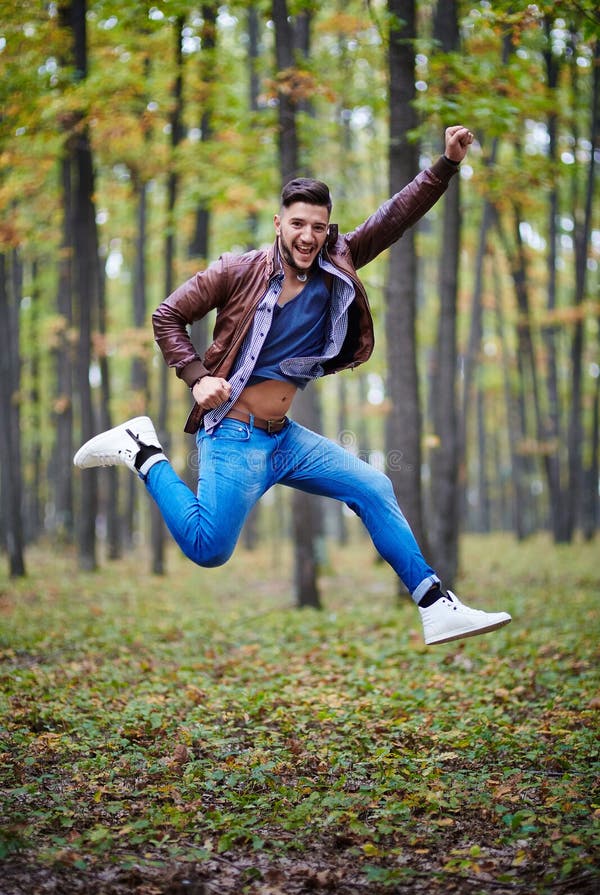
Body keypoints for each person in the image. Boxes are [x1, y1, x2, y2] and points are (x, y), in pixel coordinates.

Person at [74, 125, 511, 646]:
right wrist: (197, 377)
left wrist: (445, 164)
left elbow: (392, 219)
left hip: (285, 438)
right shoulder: (237, 271)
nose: (309, 236)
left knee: (374, 486)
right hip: (234, 435)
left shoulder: (337, 263)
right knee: (208, 548)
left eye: (319, 227)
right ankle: (142, 450)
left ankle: (435, 605)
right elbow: (167, 315)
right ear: (279, 223)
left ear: (329, 230)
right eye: (299, 224)